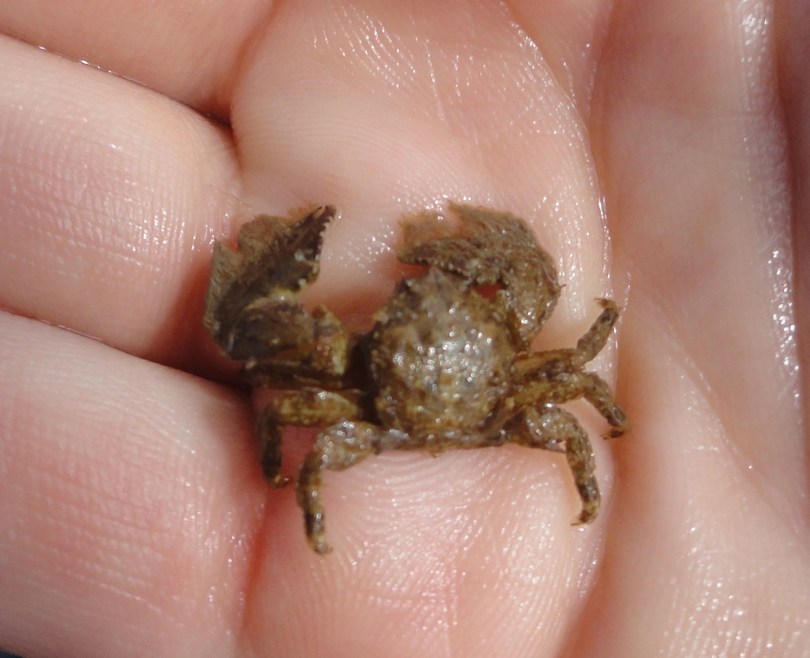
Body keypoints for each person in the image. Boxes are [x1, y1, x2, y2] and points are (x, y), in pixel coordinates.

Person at [1, 2, 808, 656]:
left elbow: (273, 382)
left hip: (384, 420)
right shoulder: (526, 383)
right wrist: (609, 431)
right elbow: (580, 375)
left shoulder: (353, 390)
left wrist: (293, 481)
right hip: (488, 411)